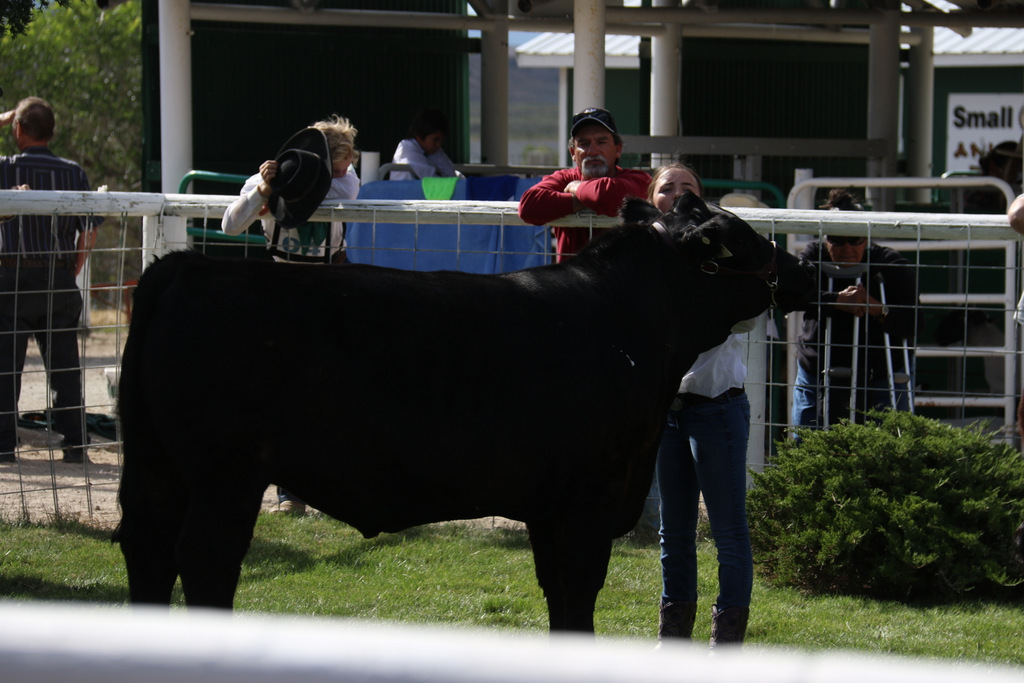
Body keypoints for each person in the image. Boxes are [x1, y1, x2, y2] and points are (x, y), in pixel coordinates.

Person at [222, 115, 360, 513]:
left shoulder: (344, 184)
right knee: (281, 392)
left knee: (329, 389)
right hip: (282, 289)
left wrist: (286, 192)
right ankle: (288, 489)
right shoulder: (274, 178)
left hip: (329, 287)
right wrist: (263, 190)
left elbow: (337, 195)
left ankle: (326, 483)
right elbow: (231, 224)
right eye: (338, 167)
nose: (346, 174)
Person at [648, 162, 754, 649]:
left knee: (729, 530)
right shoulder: (642, 260)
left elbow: (747, 319)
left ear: (702, 200)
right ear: (652, 200)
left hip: (717, 408)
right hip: (668, 413)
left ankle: (725, 646)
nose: (675, 195)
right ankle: (673, 642)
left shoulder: (725, 255)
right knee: (675, 531)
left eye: (686, 188)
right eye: (666, 188)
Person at [0, 96, 101, 464]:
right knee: (65, 369)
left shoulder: (5, 168)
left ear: (18, 129)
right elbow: (88, 230)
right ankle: (75, 444)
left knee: (5, 369)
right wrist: (74, 265)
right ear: (52, 131)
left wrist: (3, 117)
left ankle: (3, 446)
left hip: (10, 276)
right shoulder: (73, 172)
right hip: (57, 277)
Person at [791, 189, 917, 430]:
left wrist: (877, 309)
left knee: (887, 447)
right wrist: (835, 300)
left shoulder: (890, 263)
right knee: (806, 442)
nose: (847, 247)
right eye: (837, 240)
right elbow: (791, 294)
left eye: (855, 239)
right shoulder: (813, 255)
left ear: (867, 239)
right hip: (818, 366)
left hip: (880, 370)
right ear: (825, 239)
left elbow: (914, 323)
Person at [222, 114, 360, 265]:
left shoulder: (347, 183)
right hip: (285, 268)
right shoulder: (264, 181)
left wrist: (279, 192)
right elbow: (230, 227)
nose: (342, 177)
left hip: (332, 265)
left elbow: (347, 188)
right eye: (334, 172)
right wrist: (263, 189)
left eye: (345, 170)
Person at [518, 107, 650, 262]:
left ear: (618, 149)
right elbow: (528, 206)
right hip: (574, 283)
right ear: (573, 153)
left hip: (620, 283)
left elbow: (604, 195)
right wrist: (582, 200)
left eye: (601, 142)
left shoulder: (637, 180)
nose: (592, 151)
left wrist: (576, 188)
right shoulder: (563, 178)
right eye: (584, 143)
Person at [388, 108, 458, 181]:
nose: (439, 144)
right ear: (419, 136)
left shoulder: (434, 150)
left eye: (441, 140)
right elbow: (431, 178)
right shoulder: (407, 150)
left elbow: (449, 172)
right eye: (435, 140)